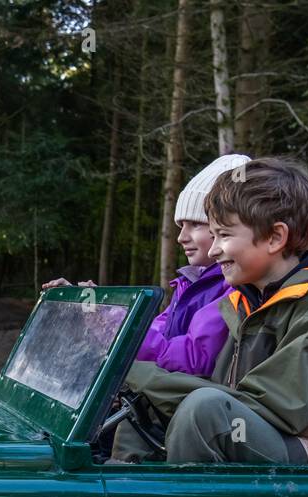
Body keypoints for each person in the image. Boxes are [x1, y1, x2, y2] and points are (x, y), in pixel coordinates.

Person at [111, 156, 308, 465]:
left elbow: (272, 406)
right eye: (213, 235)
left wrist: (134, 372)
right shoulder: (248, 300)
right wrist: (141, 385)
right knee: (145, 403)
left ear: (275, 237)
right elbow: (229, 392)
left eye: (224, 236)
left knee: (205, 411)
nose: (213, 250)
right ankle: (126, 489)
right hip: (266, 428)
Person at [42, 153, 251, 377]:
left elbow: (194, 359)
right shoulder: (190, 283)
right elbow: (154, 332)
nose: (181, 237)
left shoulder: (233, 287)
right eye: (181, 225)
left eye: (195, 225)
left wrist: (113, 327)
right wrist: (98, 312)